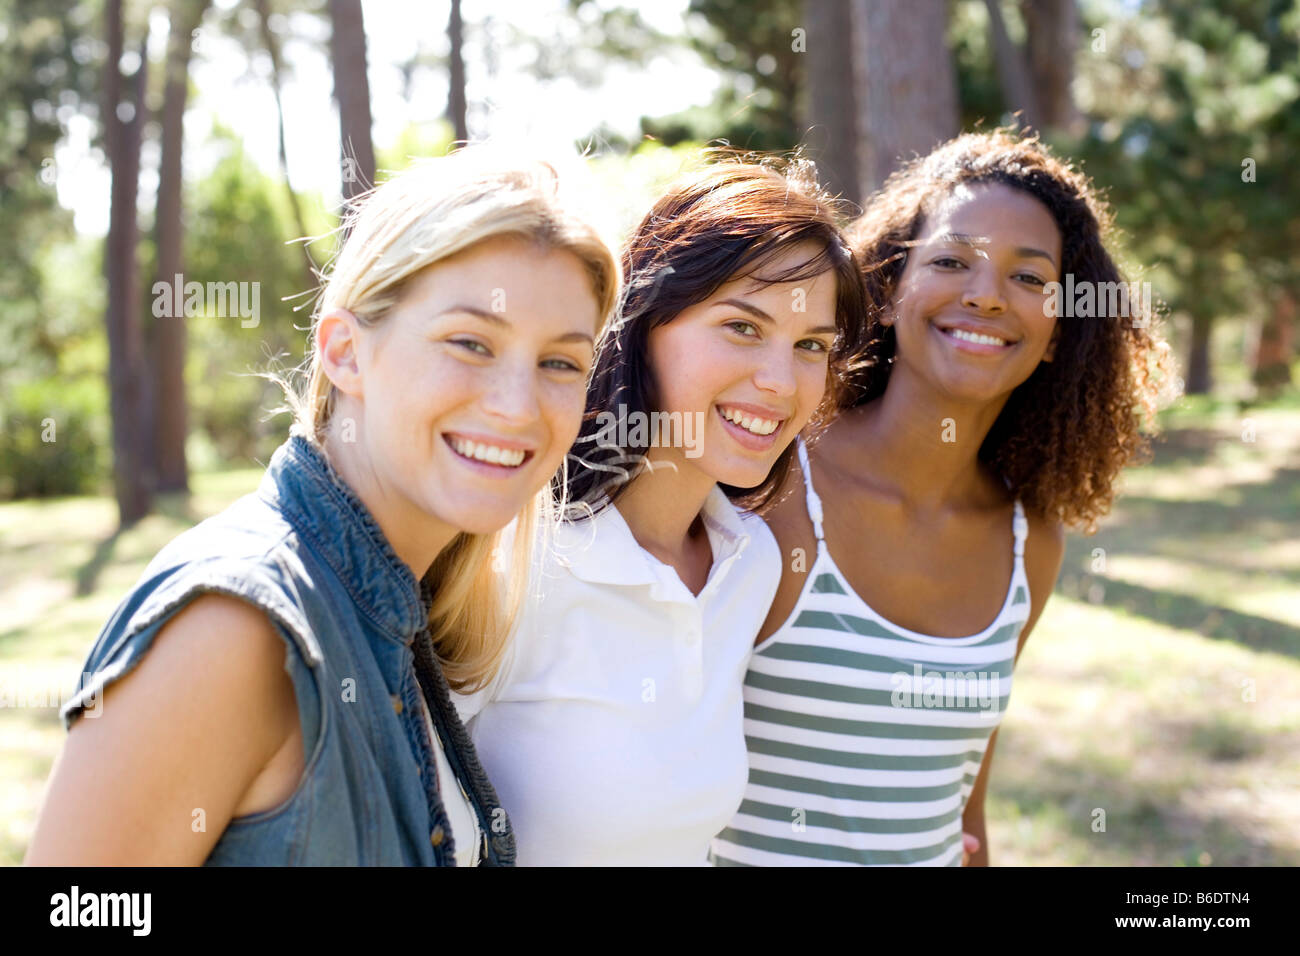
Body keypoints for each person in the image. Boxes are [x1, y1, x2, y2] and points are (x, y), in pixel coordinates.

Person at [25, 149, 619, 866]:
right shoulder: (238, 626)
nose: (518, 406)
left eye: (560, 362)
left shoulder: (403, 611)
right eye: (470, 343)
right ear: (344, 352)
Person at [711, 130, 1172, 866]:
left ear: (1056, 332)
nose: (985, 295)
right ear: (889, 292)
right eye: (953, 261)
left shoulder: (1031, 544)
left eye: (1029, 278)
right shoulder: (769, 481)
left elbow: (964, 805)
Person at [453, 155, 868, 865]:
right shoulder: (513, 556)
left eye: (810, 346)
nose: (779, 381)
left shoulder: (750, 566)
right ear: (642, 324)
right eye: (742, 327)